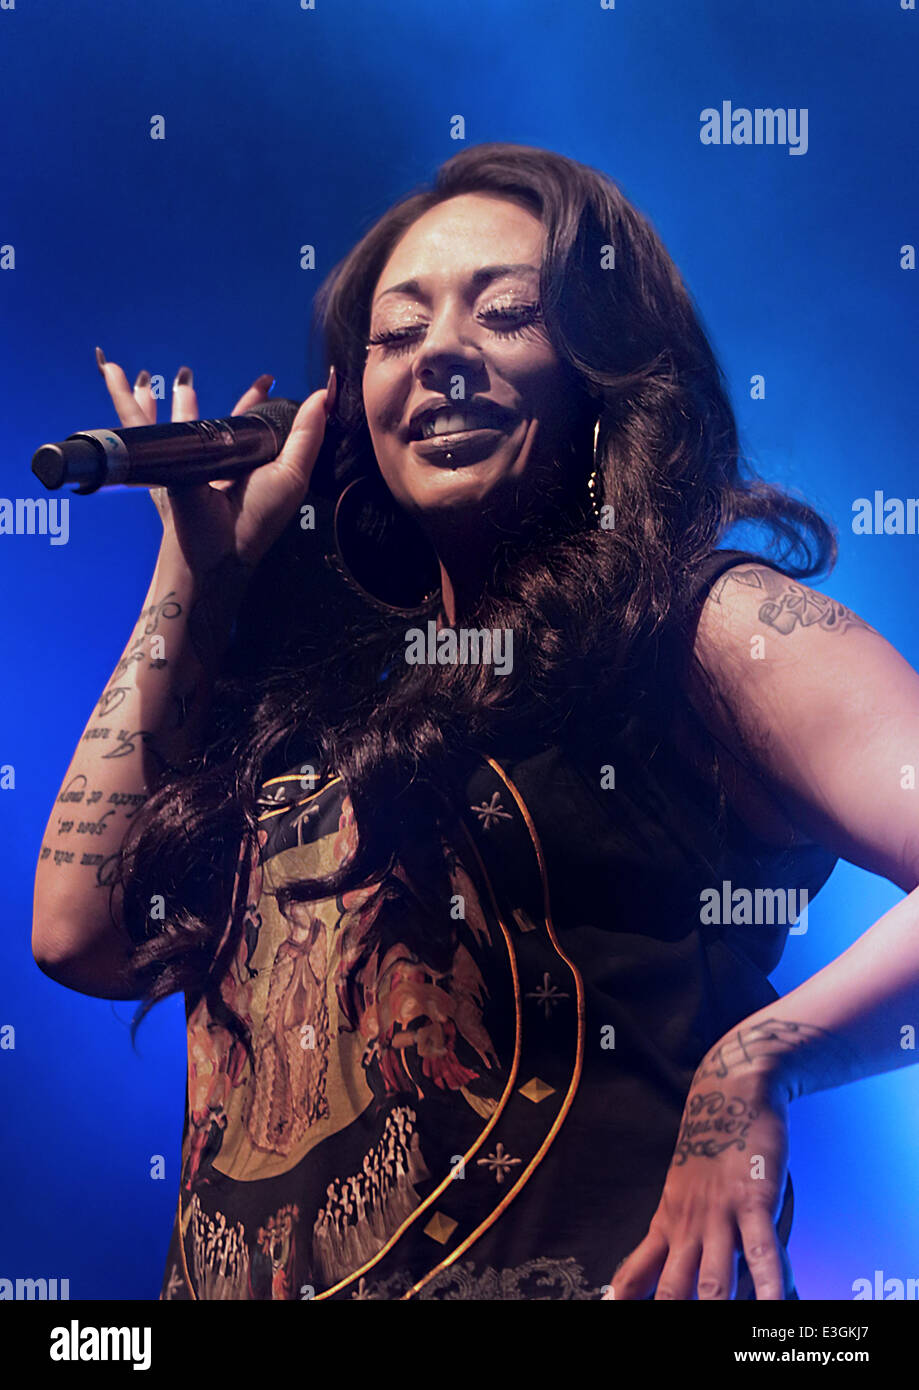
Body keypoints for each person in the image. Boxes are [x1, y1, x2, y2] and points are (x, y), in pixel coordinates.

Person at [33, 143, 919, 1303]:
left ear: (603, 372)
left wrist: (751, 1065)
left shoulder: (698, 624)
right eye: (396, 336)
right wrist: (194, 574)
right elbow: (76, 934)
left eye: (505, 314)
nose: (442, 351)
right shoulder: (315, 711)